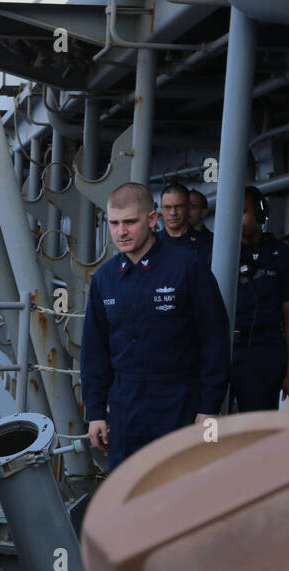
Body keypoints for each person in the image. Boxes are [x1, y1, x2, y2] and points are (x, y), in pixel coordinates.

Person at [84, 183, 229, 470]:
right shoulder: (105, 279)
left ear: (151, 219)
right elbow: (95, 351)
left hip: (181, 407)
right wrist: (96, 412)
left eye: (129, 222)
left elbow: (215, 340)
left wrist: (209, 410)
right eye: (114, 223)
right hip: (126, 411)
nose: (120, 232)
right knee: (127, 492)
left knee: (185, 490)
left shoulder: (188, 267)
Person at [231, 186, 289, 411]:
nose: (235, 219)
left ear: (261, 214)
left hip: (264, 356)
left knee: (257, 431)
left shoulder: (284, 256)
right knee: (211, 431)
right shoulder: (218, 252)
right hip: (224, 351)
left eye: (242, 212)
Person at [157, 180, 213, 263]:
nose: (173, 213)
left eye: (178, 207)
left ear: (187, 208)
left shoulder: (207, 242)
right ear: (161, 210)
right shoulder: (150, 242)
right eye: (167, 207)